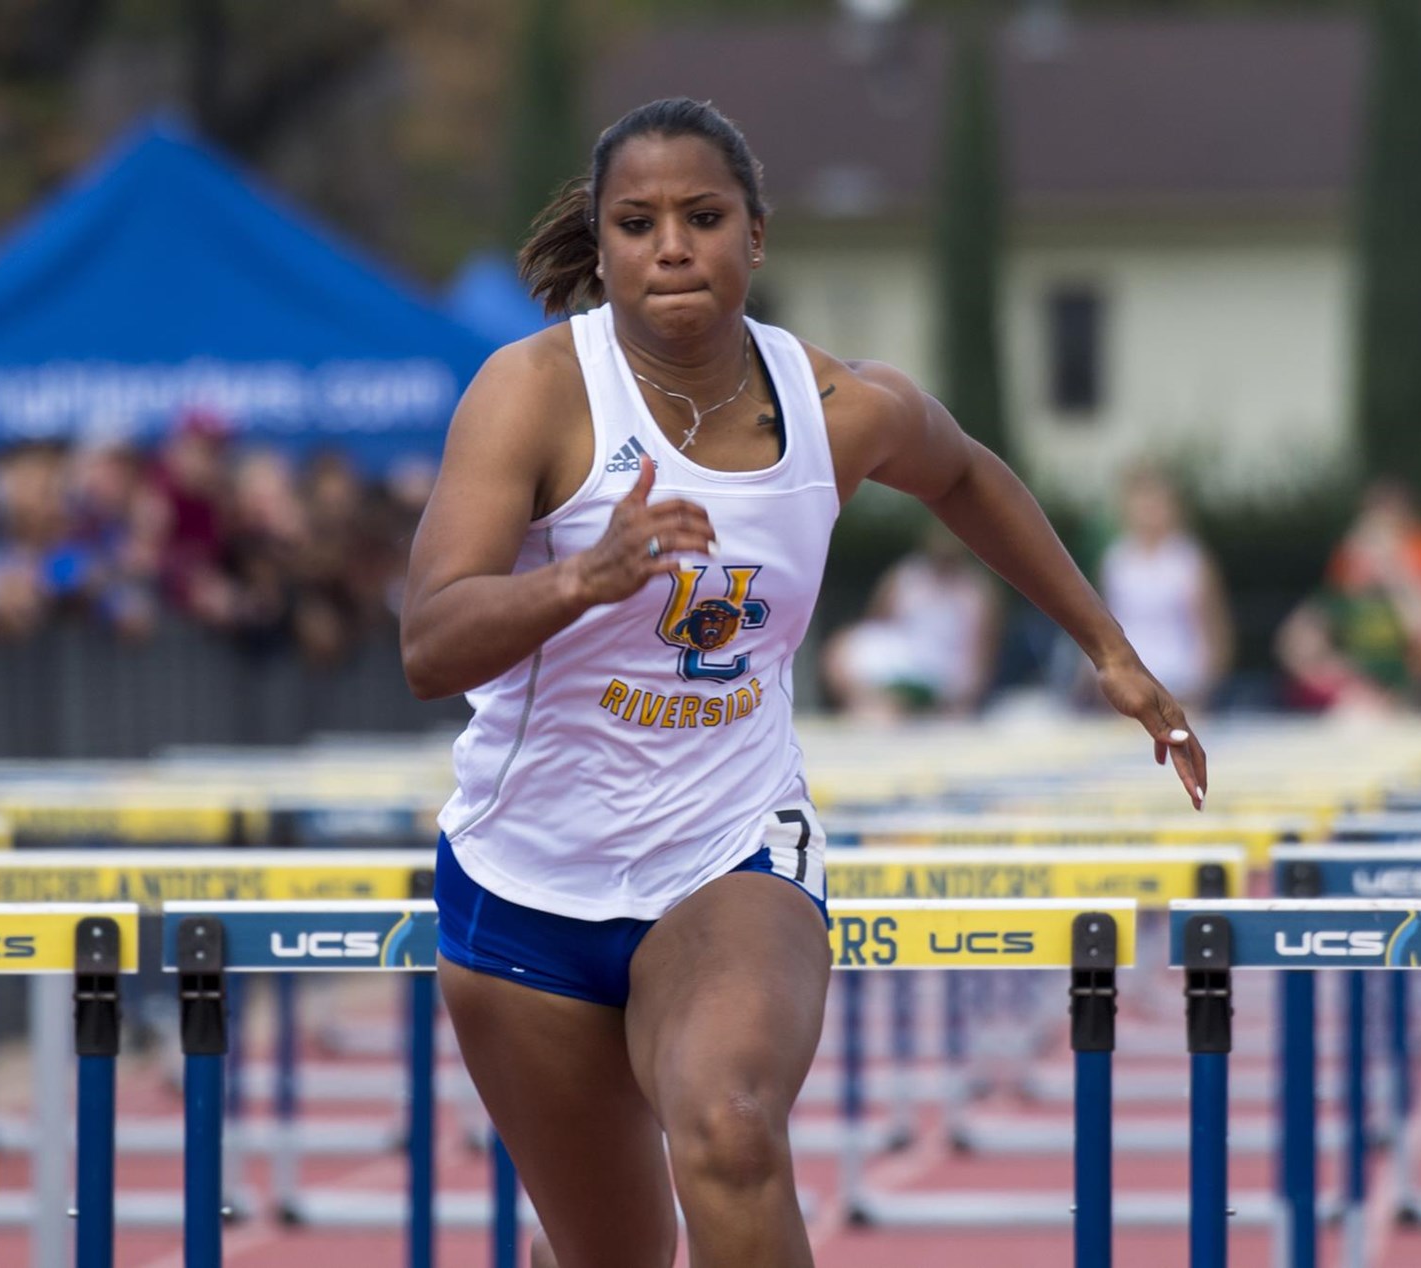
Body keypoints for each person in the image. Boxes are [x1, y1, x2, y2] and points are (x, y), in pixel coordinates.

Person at [400, 98, 1207, 1268]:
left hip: (727, 850)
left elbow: (967, 475)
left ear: (756, 237)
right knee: (612, 1255)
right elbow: (431, 643)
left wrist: (1111, 650)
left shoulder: (834, 408)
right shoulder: (532, 393)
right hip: (526, 877)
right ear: (605, 244)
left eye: (701, 215)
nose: (670, 245)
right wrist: (581, 578)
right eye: (636, 222)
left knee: (731, 1136)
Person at [1276, 478, 1421, 712]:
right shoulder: (1348, 579)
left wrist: (1396, 573)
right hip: (1355, 693)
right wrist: (1338, 675)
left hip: (1416, 694)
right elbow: (1295, 643)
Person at [820, 520, 1000, 719]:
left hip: (943, 670)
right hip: (906, 656)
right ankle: (871, 705)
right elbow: (877, 624)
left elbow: (982, 652)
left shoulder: (976, 591)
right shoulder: (905, 577)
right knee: (843, 647)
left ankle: (891, 708)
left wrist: (963, 700)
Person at [1096, 464, 1232, 711]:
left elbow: (1215, 632)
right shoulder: (1117, 560)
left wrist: (1202, 690)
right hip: (1131, 687)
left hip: (1183, 686)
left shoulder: (1189, 560)